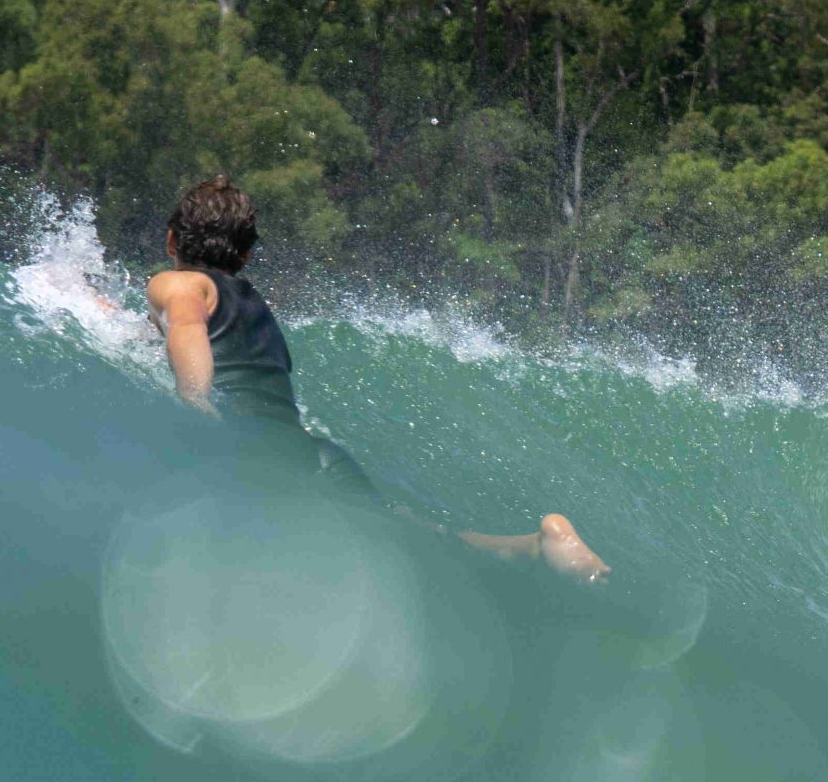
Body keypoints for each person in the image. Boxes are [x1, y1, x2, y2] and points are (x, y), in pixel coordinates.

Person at [139, 177, 610, 580]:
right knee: (407, 536)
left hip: (252, 447)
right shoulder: (251, 305)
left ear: (171, 241)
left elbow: (186, 327)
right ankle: (535, 545)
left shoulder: (177, 284)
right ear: (244, 254)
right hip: (308, 451)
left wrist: (195, 400)